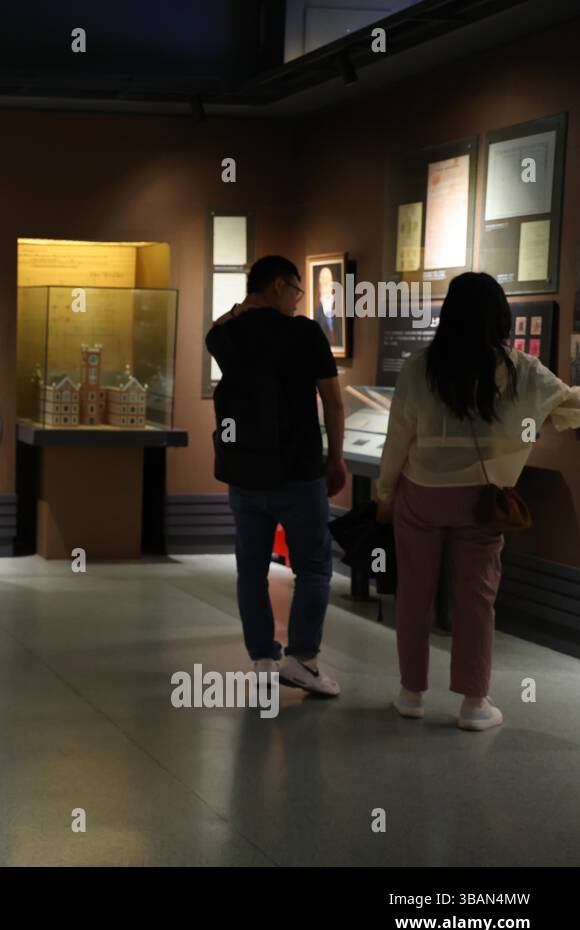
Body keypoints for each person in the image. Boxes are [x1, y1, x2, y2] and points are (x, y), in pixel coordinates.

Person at [376, 272, 580, 731]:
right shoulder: (520, 369)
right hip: (482, 500)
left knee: (414, 594)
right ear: (500, 316)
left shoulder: (419, 366)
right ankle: (473, 703)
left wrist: (385, 491)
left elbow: (398, 438)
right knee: (476, 599)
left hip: (421, 493)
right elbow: (568, 403)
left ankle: (411, 694)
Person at [206, 255, 347, 696]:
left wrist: (239, 309)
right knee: (313, 567)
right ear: (280, 285)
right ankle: (303, 659)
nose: (298, 300)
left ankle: (264, 660)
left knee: (251, 569)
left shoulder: (227, 334)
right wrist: (335, 458)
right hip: (300, 472)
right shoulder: (305, 333)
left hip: (246, 475)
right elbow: (334, 402)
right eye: (297, 291)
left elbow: (214, 328)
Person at [313, 265, 342, 349]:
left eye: (328, 281)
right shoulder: (317, 311)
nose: (326, 285)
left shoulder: (339, 307)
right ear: (319, 284)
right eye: (323, 282)